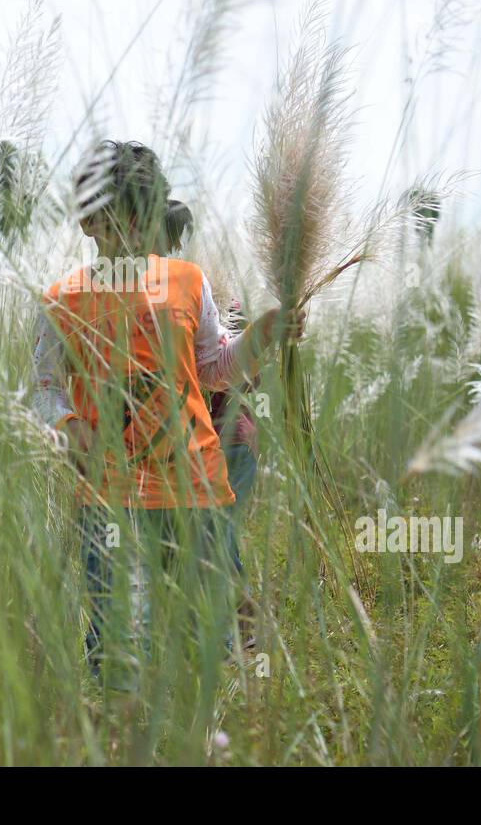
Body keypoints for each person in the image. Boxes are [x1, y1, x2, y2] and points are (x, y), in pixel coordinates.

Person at [30, 140, 300, 692]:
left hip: (198, 489)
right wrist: (68, 427)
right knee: (115, 647)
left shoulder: (188, 281)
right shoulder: (62, 300)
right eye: (112, 214)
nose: (127, 228)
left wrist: (263, 334)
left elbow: (215, 368)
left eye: (139, 213)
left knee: (209, 640)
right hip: (109, 497)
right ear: (87, 220)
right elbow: (44, 389)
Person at [159, 200, 260, 649]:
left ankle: (234, 631)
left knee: (212, 534)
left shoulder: (211, 299)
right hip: (189, 448)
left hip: (230, 443)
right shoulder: (159, 302)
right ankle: (220, 630)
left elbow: (243, 375)